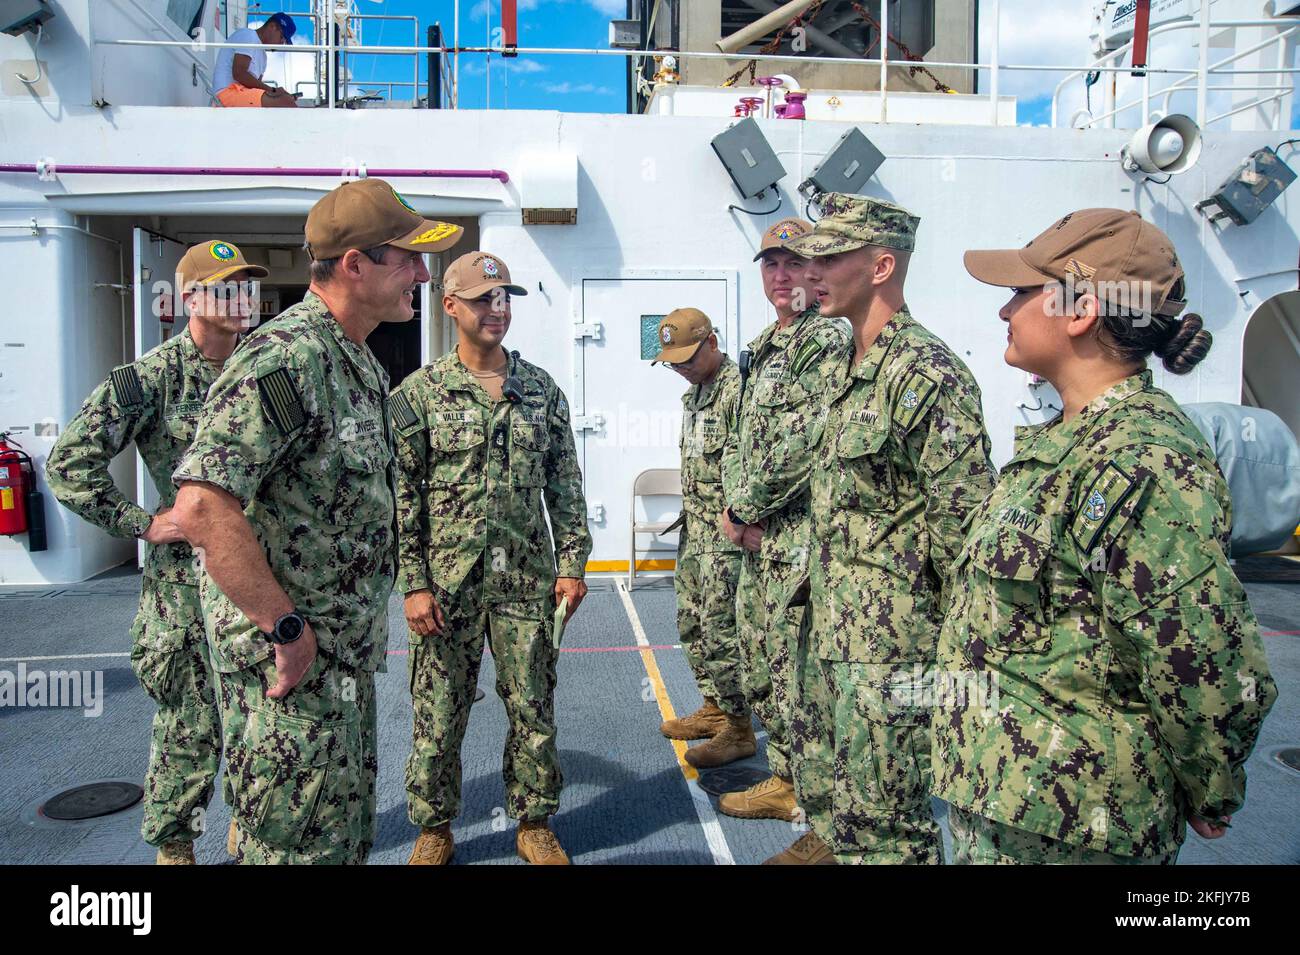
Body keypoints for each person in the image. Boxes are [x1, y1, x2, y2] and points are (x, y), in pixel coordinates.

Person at [932, 208, 1278, 864]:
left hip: (1075, 826)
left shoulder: (1140, 458)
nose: (1006, 311)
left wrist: (1212, 784)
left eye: (1022, 292)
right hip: (1009, 801)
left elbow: (1207, 660)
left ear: (1081, 308)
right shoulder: (1071, 442)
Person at [170, 179, 465, 864]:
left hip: (338, 669)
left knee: (336, 845)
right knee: (292, 850)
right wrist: (286, 626)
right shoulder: (288, 358)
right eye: (409, 258)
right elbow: (203, 504)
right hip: (291, 676)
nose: (423, 273)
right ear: (356, 265)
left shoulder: (354, 358)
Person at [775, 194, 997, 865]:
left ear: (880, 266)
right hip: (838, 627)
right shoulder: (847, 364)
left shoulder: (925, 372)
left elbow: (965, 531)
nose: (810, 272)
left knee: (888, 824)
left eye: (829, 258)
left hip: (895, 649)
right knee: (848, 807)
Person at [46, 240, 268, 864]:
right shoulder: (149, 379)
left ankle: (248, 827)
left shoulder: (265, 368)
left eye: (246, 285)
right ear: (190, 299)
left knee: (262, 725)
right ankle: (176, 848)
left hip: (259, 580)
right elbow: (69, 465)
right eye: (225, 287)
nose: (241, 297)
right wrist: (144, 523)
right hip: (185, 595)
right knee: (190, 732)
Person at [394, 251, 592, 866]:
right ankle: (433, 827)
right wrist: (413, 584)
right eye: (483, 299)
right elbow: (403, 497)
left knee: (532, 704)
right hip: (446, 586)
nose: (496, 310)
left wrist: (574, 563)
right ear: (450, 305)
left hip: (525, 582)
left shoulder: (541, 390)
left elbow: (564, 483)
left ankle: (534, 821)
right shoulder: (419, 396)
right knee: (438, 713)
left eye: (504, 298)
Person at [715, 218, 849, 838]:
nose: (780, 275)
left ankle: (817, 808)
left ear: (814, 273)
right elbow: (743, 438)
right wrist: (737, 507)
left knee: (801, 675)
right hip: (758, 543)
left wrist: (747, 507)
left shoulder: (826, 343)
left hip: (798, 543)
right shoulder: (764, 347)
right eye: (770, 264)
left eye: (792, 263)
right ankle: (787, 776)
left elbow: (809, 441)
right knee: (763, 664)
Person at [651, 308, 753, 768]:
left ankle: (739, 727)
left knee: (721, 631)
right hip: (696, 531)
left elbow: (751, 464)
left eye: (687, 359)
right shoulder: (694, 396)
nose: (680, 369)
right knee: (690, 624)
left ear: (712, 343)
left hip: (726, 538)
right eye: (672, 362)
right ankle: (713, 708)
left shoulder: (740, 392)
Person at [212, 13, 299, 109]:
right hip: (227, 93)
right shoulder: (248, 35)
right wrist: (273, 91)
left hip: (242, 94)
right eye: (282, 37)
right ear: (272, 27)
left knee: (285, 99)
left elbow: (257, 87)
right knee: (284, 101)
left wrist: (277, 93)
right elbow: (239, 74)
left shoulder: (263, 57)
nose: (281, 43)